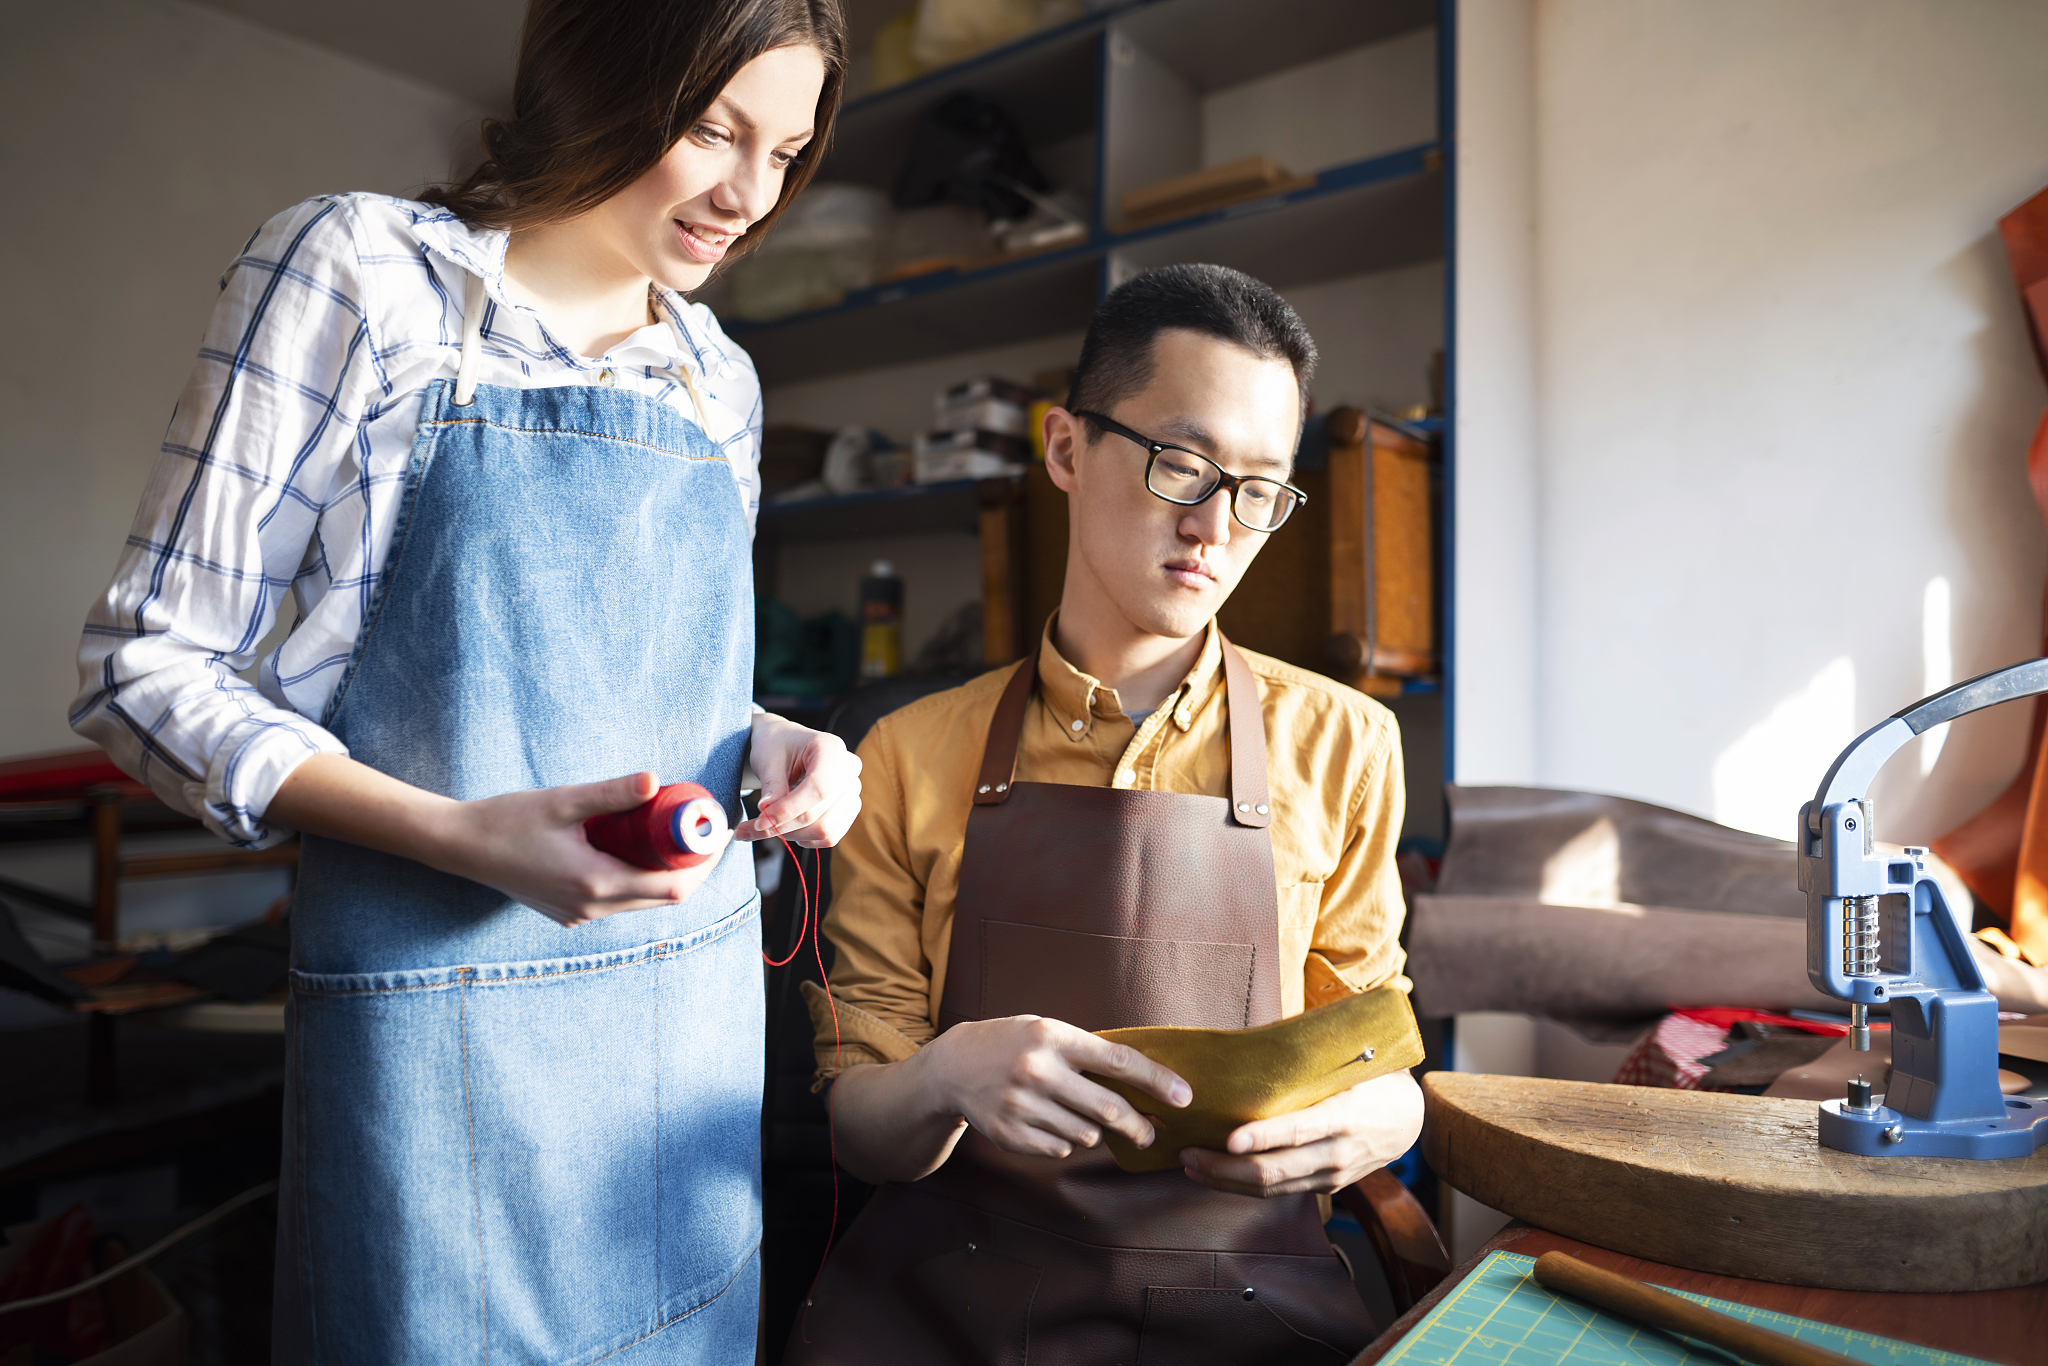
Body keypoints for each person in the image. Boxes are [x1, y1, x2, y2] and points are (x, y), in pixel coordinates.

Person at [69, 1, 858, 1360]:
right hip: (444, 1032)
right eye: (710, 129)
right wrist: (458, 834)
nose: (751, 196)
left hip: (684, 1035)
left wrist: (771, 736)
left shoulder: (717, 379)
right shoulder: (363, 272)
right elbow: (145, 668)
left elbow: (652, 683)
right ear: (595, 81)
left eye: (785, 152)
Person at [786, 263, 1425, 1365]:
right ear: (1066, 450)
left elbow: (1371, 1047)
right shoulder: (904, 754)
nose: (1216, 526)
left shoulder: (1345, 744)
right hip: (957, 1297)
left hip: (1244, 1299)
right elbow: (861, 1127)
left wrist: (1387, 1120)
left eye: (1260, 489)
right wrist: (941, 1077)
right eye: (1182, 464)